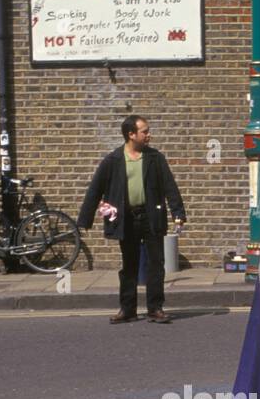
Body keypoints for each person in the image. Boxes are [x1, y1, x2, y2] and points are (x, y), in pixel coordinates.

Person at [77, 115, 186, 324]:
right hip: (127, 219)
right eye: (144, 131)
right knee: (129, 265)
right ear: (131, 134)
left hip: (152, 217)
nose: (148, 135)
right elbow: (95, 190)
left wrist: (178, 213)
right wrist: (85, 220)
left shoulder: (155, 158)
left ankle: (155, 308)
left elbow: (170, 186)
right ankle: (128, 309)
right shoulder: (113, 160)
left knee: (156, 264)